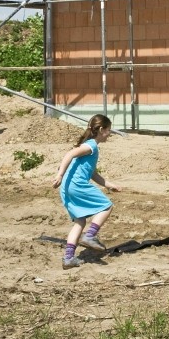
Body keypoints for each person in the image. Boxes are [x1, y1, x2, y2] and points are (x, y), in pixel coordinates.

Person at [52, 113, 120, 270]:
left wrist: (109, 185)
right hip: (77, 185)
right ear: (102, 129)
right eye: (109, 130)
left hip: (67, 188)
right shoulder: (91, 146)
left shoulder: (89, 146)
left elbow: (93, 174)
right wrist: (60, 174)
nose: (110, 134)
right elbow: (69, 154)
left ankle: (68, 258)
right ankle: (90, 236)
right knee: (107, 206)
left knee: (80, 221)